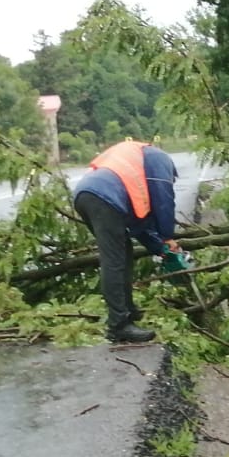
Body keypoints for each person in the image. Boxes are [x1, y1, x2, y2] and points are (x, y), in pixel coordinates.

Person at [72, 139, 186, 343]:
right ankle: (118, 326)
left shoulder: (138, 162)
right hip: (104, 198)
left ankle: (128, 312)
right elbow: (163, 199)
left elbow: (141, 227)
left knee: (124, 253)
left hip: (87, 194)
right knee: (114, 261)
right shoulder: (160, 159)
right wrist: (168, 237)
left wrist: (159, 248)